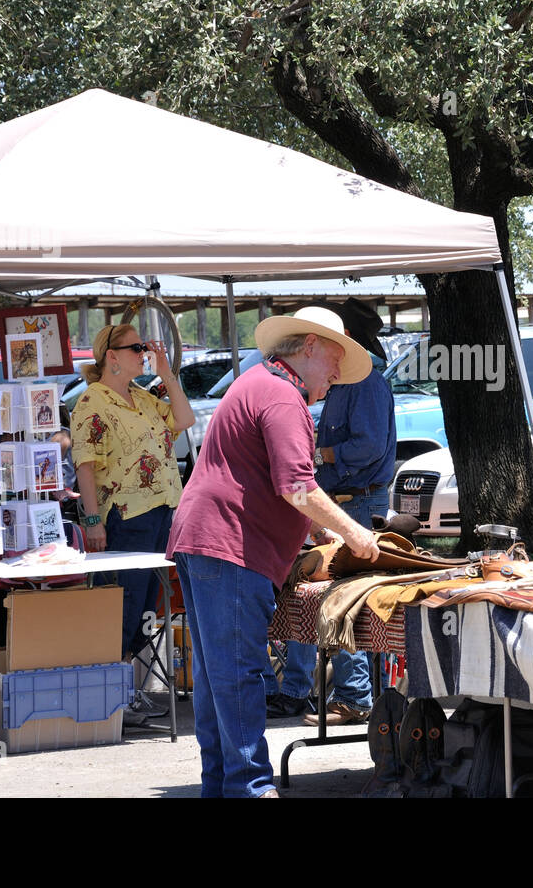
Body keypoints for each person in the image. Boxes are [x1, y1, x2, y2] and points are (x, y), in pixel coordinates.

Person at [167, 306, 381, 798]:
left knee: (219, 676)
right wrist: (353, 534)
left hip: (209, 541)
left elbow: (267, 481)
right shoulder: (284, 397)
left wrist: (315, 532)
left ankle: (223, 785)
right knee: (238, 674)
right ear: (308, 346)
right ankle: (251, 788)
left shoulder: (259, 382)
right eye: (333, 358)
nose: (336, 373)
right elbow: (297, 486)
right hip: (230, 547)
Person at [265, 299, 397, 726]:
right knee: (319, 594)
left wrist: (321, 453)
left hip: (356, 501)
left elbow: (369, 448)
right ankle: (301, 690)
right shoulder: (347, 385)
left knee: (343, 600)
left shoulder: (366, 385)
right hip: (342, 500)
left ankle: (353, 696)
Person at [70, 324, 195, 724]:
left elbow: (186, 418)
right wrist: (92, 521)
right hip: (125, 516)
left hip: (160, 511)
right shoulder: (92, 402)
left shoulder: (142, 398)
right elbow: (85, 467)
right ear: (112, 356)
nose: (144, 353)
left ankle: (122, 693)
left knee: (146, 609)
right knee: (123, 608)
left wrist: (168, 375)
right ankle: (112, 699)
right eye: (137, 348)